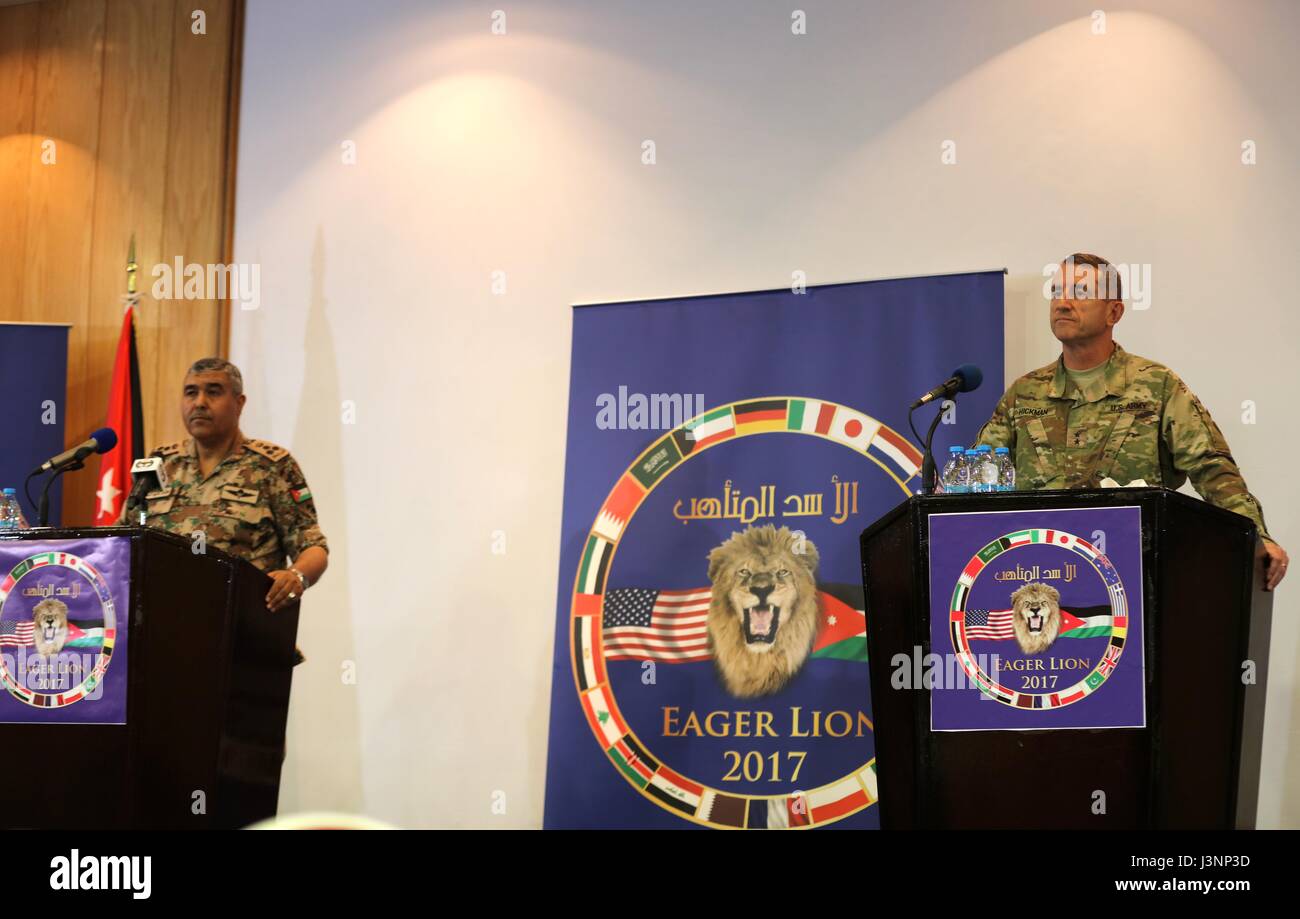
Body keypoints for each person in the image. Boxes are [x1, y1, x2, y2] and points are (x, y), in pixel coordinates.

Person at [975, 253, 1287, 590]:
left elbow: (1211, 467)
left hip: (1134, 575)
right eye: (1056, 291)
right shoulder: (1025, 392)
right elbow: (978, 477)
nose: (1062, 303)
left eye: (1079, 292)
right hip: (1038, 574)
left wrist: (1258, 536)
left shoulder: (1155, 384)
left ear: (1114, 312)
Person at [120, 357, 329, 612]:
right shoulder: (160, 465)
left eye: (213, 392)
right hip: (163, 625)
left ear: (239, 404)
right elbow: (121, 542)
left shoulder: (273, 467)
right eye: (191, 393)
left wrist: (296, 576)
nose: (199, 403)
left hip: (243, 628)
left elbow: (313, 546)